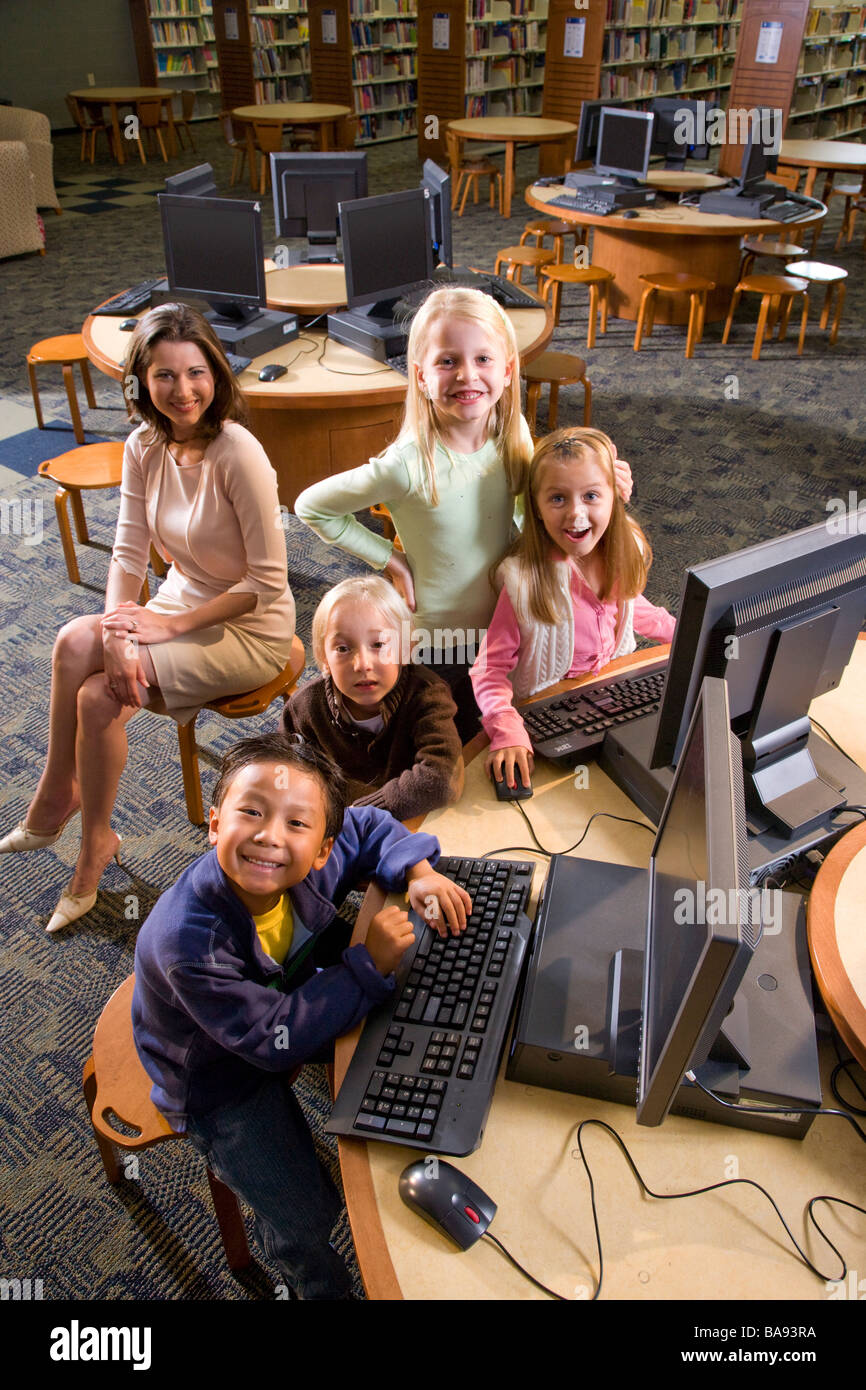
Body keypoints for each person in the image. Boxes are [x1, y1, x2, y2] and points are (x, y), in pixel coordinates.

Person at [132, 732, 471, 1299]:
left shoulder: (318, 854)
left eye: (296, 823)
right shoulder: (188, 942)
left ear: (321, 847)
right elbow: (272, 1039)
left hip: (279, 998)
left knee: (408, 1026)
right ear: (215, 824)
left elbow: (367, 828)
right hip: (216, 1080)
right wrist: (366, 966)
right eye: (251, 813)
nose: (270, 836)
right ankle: (309, 1284)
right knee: (305, 1212)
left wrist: (419, 872)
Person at [0, 303, 294, 932]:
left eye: (196, 373)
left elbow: (266, 583)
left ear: (215, 374)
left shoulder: (237, 452)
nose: (183, 391)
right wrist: (117, 633)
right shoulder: (143, 445)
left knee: (98, 701)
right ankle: (60, 794)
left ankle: (89, 849)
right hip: (184, 598)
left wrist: (160, 629)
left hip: (250, 625)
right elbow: (129, 551)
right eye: (164, 376)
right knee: (74, 641)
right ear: (140, 384)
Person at [294, 286, 633, 740]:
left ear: (509, 370)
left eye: (483, 360)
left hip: (511, 629)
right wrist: (389, 559)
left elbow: (534, 512)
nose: (467, 375)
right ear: (420, 376)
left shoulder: (509, 436)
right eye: (448, 361)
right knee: (448, 751)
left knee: (512, 737)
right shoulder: (407, 463)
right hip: (442, 645)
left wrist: (604, 484)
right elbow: (311, 507)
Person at [470, 427, 676, 790]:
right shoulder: (523, 584)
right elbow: (488, 670)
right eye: (558, 499)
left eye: (592, 495)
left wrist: (690, 635)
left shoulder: (621, 550)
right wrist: (507, 729)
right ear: (536, 507)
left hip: (610, 691)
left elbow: (633, 607)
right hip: (548, 710)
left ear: (614, 497)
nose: (576, 513)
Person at [283, 575, 464, 821]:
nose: (362, 664)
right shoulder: (303, 707)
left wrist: (360, 814)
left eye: (378, 644)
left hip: (412, 822)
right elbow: (285, 773)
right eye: (343, 649)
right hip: (335, 827)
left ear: (405, 648)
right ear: (324, 658)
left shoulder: (427, 693)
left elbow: (442, 778)